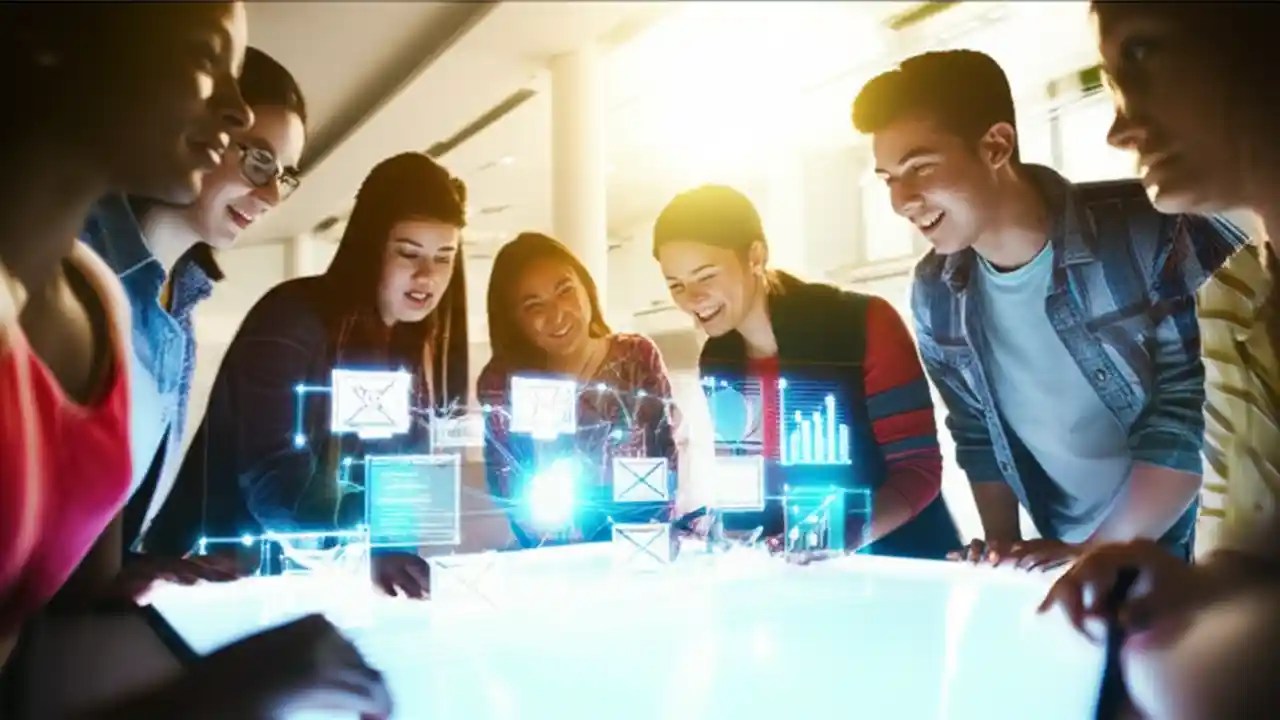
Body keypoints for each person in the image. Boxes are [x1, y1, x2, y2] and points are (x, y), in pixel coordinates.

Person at [0, 3, 388, 717]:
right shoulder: (95, 283)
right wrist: (227, 690)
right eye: (209, 57)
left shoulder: (124, 308)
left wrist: (136, 574)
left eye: (285, 173)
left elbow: (64, 578)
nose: (234, 114)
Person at [851, 49, 1246, 570]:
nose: (902, 200)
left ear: (996, 145)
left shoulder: (1150, 232)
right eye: (888, 178)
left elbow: (1194, 414)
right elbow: (975, 429)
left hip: (1194, 545)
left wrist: (1094, 555)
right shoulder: (935, 292)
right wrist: (1002, 548)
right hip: (1065, 551)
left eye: (921, 167)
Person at [1039, 6, 1280, 715]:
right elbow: (1246, 555)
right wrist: (1176, 584)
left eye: (1142, 53)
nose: (1119, 127)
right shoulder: (1233, 297)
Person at [173, 151, 468, 599]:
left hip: (325, 582)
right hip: (217, 575)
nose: (427, 275)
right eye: (408, 253)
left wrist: (392, 544)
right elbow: (274, 485)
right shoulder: (292, 317)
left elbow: (404, 484)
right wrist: (371, 539)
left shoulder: (413, 346)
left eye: (444, 257)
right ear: (371, 248)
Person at [80, 45, 308, 596]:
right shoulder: (74, 257)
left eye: (286, 175)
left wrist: (132, 568)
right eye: (259, 162)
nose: (272, 194)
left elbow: (107, 508)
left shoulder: (181, 301)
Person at [653, 184, 960, 559]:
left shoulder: (862, 322)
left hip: (898, 563)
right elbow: (748, 484)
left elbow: (918, 472)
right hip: (794, 574)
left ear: (755, 255)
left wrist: (835, 537)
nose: (692, 298)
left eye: (706, 276)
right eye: (676, 285)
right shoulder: (718, 359)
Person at [478, 232, 680, 548]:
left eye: (565, 291)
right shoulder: (504, 381)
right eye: (534, 306)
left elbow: (665, 456)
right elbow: (506, 485)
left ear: (586, 286)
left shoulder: (637, 357)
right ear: (514, 320)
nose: (557, 314)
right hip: (550, 556)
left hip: (637, 548)